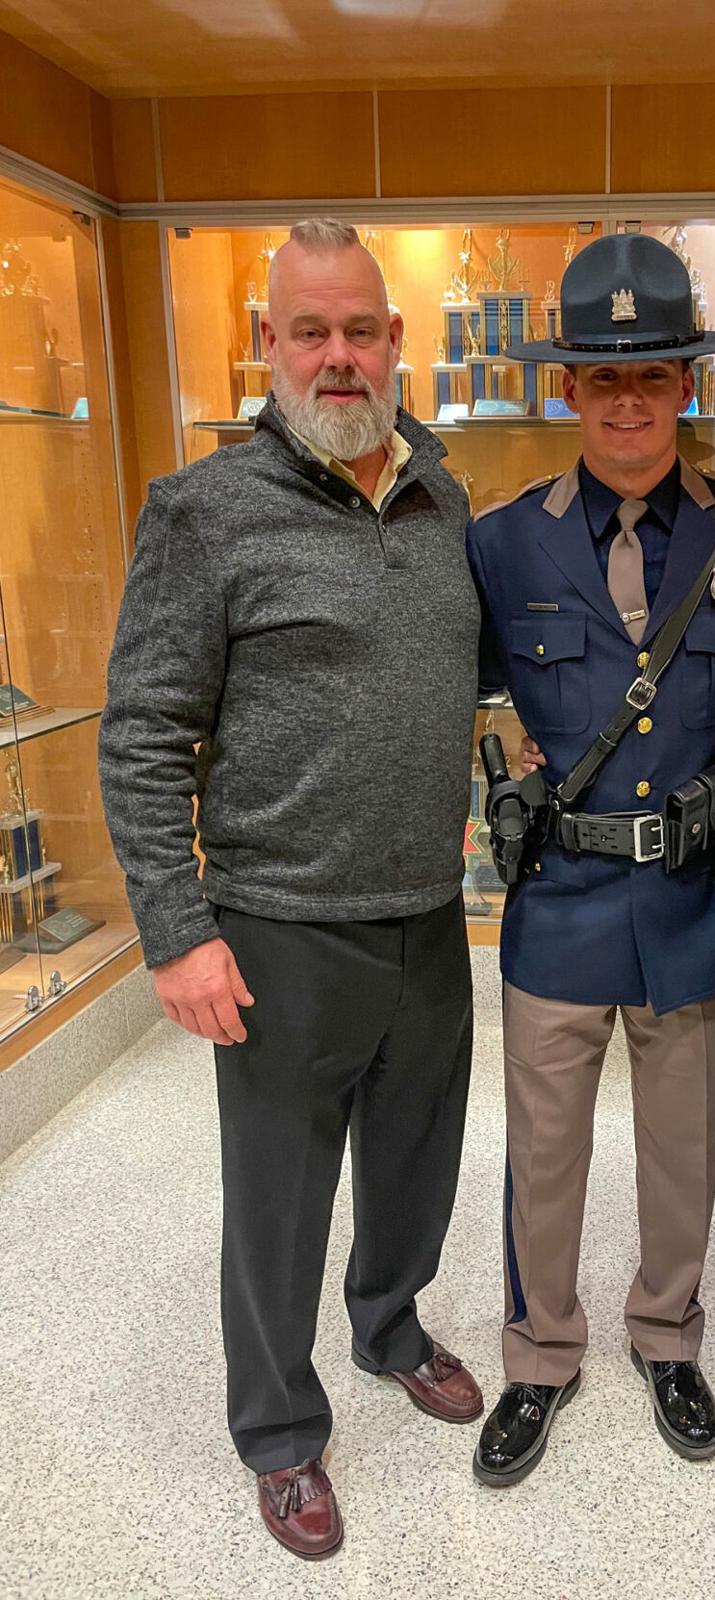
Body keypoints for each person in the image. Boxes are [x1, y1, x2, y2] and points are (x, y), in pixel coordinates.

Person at [99, 218, 482, 1560]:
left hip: (431, 919)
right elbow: (141, 732)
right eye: (307, 330)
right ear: (267, 347)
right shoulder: (205, 511)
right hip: (275, 932)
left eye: (359, 329)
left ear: (395, 342)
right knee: (278, 1197)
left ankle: (389, 1327)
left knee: (417, 1167)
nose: (337, 355)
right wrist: (177, 931)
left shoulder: (444, 492)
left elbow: (454, 677)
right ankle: (278, 1429)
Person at [465, 233, 715, 1486]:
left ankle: (668, 1334)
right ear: (569, 392)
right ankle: (541, 1356)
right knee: (541, 1151)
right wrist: (505, 770)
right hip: (557, 902)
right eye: (606, 379)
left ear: (688, 386)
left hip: (689, 905)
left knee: (679, 1147)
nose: (632, 401)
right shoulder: (503, 544)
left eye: (654, 375)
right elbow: (455, 685)